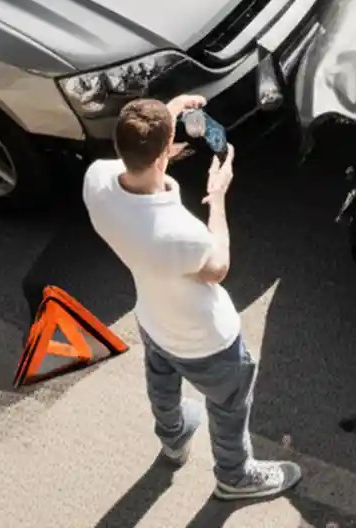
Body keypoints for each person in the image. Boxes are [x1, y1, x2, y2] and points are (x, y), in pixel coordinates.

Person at [81, 93, 301, 500]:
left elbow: (134, 155)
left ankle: (173, 438)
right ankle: (234, 476)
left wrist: (169, 110)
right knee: (230, 405)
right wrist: (217, 197)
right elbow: (218, 268)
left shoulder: (96, 182)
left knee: (162, 385)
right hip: (207, 339)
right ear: (169, 150)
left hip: (152, 319)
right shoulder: (177, 232)